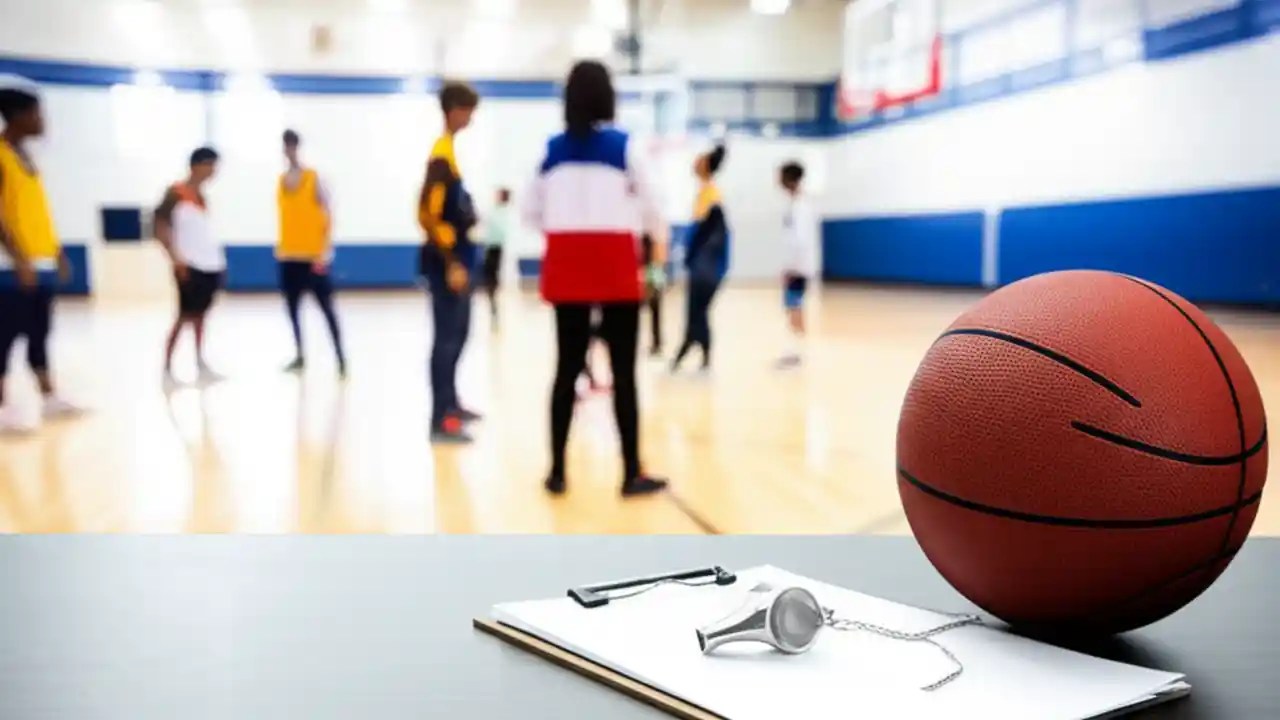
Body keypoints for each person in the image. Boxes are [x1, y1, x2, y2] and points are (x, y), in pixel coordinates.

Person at [523, 59, 669, 497]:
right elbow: (655, 210)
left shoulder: (550, 152)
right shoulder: (626, 148)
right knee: (624, 373)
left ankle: (557, 471)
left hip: (567, 267)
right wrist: (650, 248)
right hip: (615, 266)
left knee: (566, 369)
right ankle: (630, 473)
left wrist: (566, 228)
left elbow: (530, 212)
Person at [0, 75, 81, 433]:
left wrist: (56, 250)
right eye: (36, 113)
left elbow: (35, 211)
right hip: (11, 266)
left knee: (39, 332)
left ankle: (48, 397)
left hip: (41, 260)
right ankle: (3, 407)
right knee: (5, 336)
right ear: (16, 116)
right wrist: (18, 258)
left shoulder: (28, 158)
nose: (42, 121)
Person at [419, 81, 481, 444]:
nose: (471, 118)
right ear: (454, 109)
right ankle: (440, 418)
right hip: (447, 261)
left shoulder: (450, 152)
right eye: (468, 110)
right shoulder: (440, 155)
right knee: (445, 338)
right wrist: (451, 261)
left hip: (458, 257)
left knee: (459, 334)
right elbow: (428, 213)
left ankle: (452, 403)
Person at [277, 129, 346, 376]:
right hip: (289, 256)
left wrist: (323, 253)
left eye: (292, 145)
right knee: (293, 310)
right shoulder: (282, 181)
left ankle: (341, 359)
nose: (289, 150)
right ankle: (300, 355)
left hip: (313, 256)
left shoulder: (314, 178)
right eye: (286, 145)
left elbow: (328, 214)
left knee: (327, 309)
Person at [155, 146, 225, 387]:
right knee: (184, 315)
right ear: (197, 165)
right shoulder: (175, 193)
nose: (213, 171)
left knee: (200, 316)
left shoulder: (203, 199)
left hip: (209, 264)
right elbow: (160, 226)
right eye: (210, 165)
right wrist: (176, 258)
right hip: (188, 265)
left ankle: (199, 362)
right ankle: (166, 368)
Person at [671, 145, 730, 373]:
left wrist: (692, 257)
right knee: (698, 312)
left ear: (705, 165)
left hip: (706, 268)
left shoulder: (711, 197)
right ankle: (696, 355)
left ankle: (688, 352)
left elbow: (705, 234)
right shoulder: (704, 193)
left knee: (697, 312)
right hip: (701, 266)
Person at [777, 160, 819, 368]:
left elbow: (800, 240)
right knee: (794, 307)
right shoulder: (794, 204)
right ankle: (796, 351)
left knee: (794, 307)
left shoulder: (801, 206)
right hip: (796, 266)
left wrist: (792, 268)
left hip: (798, 268)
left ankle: (796, 353)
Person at [480, 187, 511, 327]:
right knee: (489, 277)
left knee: (491, 277)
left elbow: (497, 230)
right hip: (491, 248)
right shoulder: (496, 211)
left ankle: (493, 298)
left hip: (495, 248)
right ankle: (492, 295)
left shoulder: (502, 213)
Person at [642, 232, 665, 356]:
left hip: (650, 280)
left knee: (655, 314)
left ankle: (657, 343)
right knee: (655, 314)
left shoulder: (651, 247)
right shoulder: (653, 244)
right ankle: (657, 343)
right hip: (651, 280)